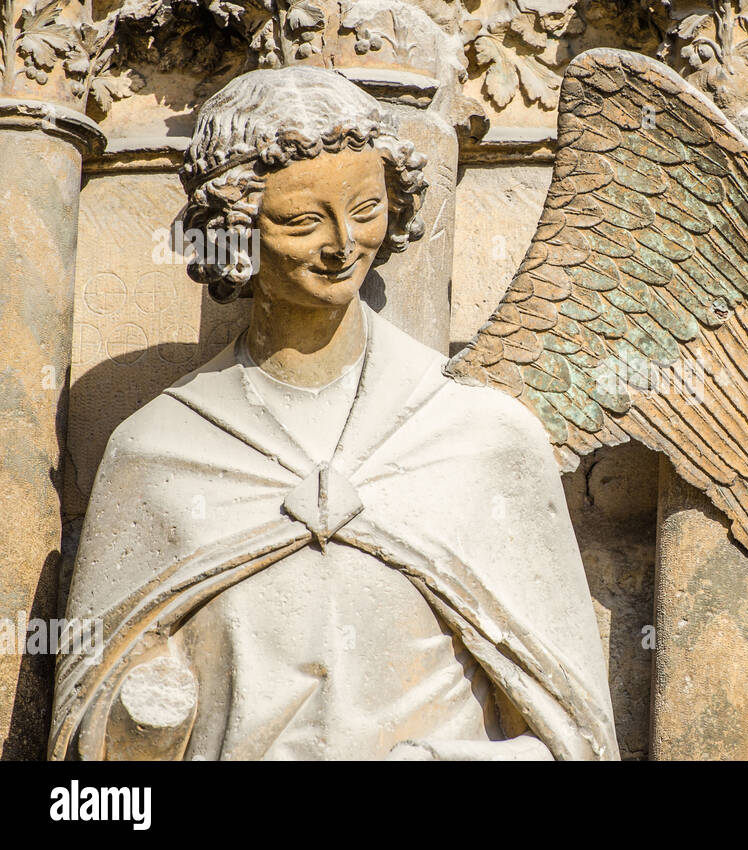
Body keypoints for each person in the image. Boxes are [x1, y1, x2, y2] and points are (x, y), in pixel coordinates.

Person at [51, 66, 618, 761]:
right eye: (301, 220)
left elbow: (577, 744)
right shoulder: (158, 453)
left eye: (368, 208)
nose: (344, 243)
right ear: (234, 232)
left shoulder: (481, 439)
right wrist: (141, 723)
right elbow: (89, 785)